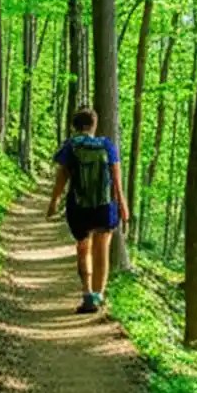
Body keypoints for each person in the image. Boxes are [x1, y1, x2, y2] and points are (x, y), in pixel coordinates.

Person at [46, 107, 130, 314]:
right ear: (94, 125)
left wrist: (54, 201)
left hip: (79, 206)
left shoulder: (70, 146)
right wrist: (123, 206)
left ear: (75, 126)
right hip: (105, 206)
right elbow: (116, 180)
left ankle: (86, 295)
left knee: (83, 248)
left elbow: (62, 177)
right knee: (102, 249)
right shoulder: (107, 146)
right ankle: (99, 295)